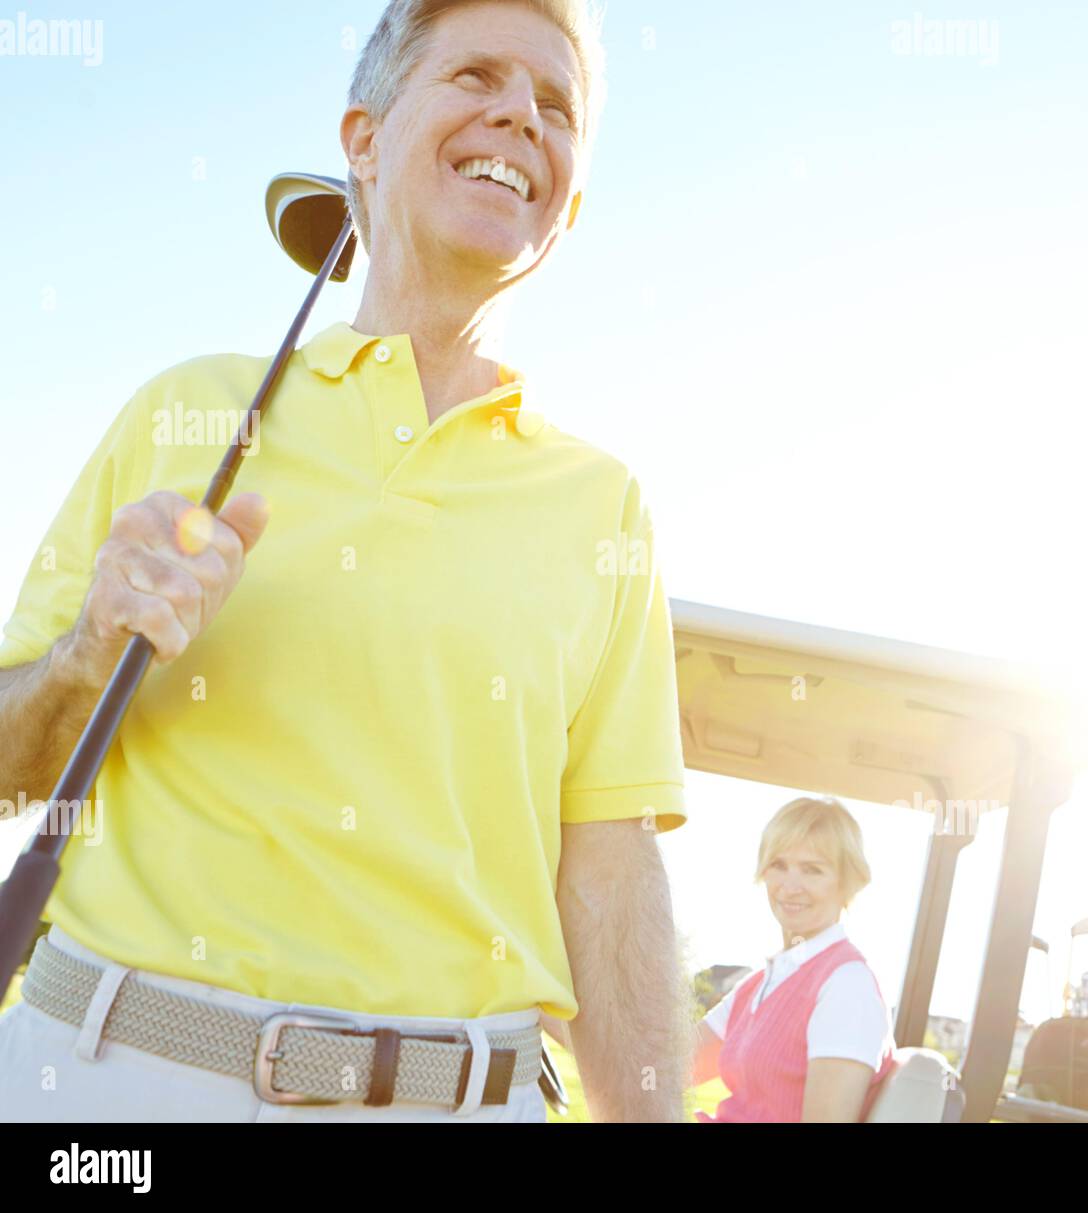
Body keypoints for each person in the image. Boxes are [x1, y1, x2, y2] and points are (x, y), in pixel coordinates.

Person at [0, 0, 690, 1123]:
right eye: (476, 77)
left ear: (569, 209)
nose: (520, 115)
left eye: (556, 107)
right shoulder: (189, 409)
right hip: (118, 1091)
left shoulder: (601, 504)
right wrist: (86, 651)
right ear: (362, 140)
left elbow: (610, 873)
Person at [691, 796, 898, 1122]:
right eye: (779, 865)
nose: (790, 886)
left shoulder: (846, 986)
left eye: (812, 870)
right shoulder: (759, 983)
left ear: (847, 882)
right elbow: (672, 1067)